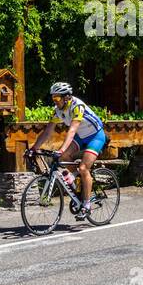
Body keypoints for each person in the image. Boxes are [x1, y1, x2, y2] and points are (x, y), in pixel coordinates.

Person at [30, 82, 107, 219]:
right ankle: (77, 184)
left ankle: (87, 204)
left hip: (95, 136)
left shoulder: (77, 106)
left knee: (83, 168)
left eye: (57, 98)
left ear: (66, 97)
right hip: (81, 136)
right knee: (64, 157)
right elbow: (48, 131)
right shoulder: (58, 111)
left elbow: (72, 130)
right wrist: (34, 148)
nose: (55, 101)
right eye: (53, 98)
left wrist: (61, 149)